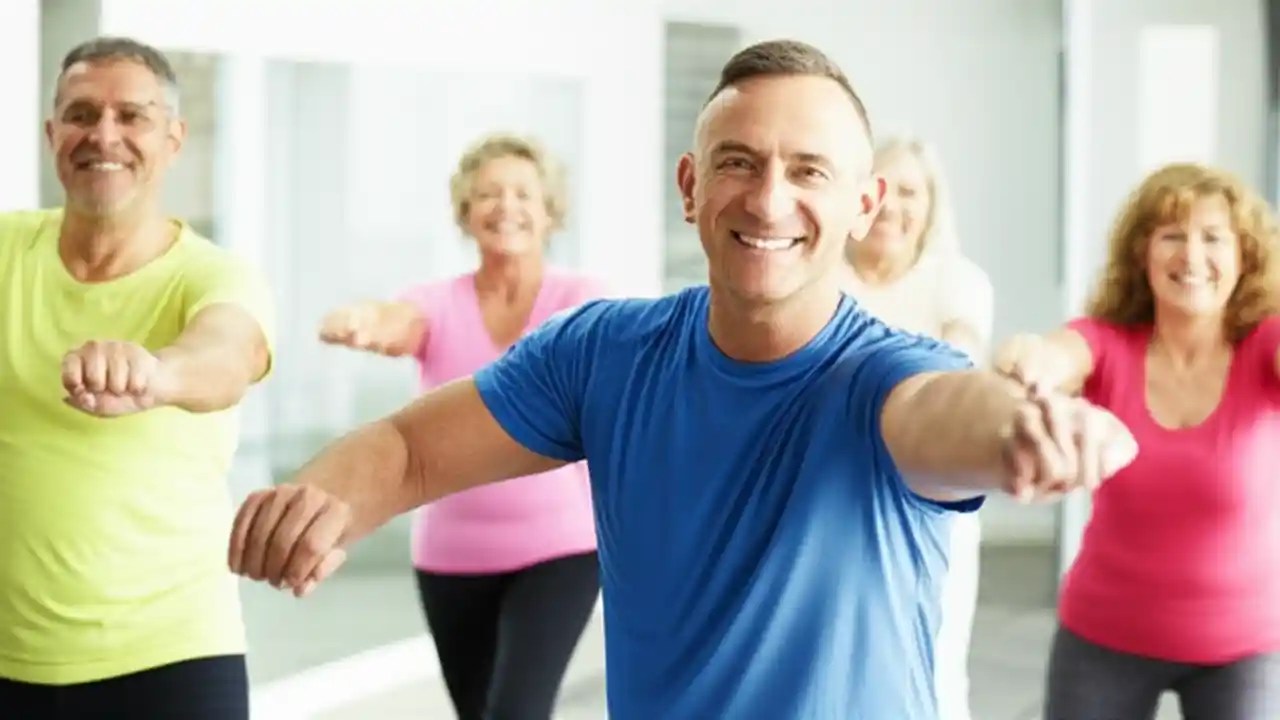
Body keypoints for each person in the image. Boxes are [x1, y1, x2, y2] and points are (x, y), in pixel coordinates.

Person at [229, 40, 1136, 719]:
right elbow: (410, 449)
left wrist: (1022, 425)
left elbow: (946, 411)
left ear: (863, 204)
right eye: (740, 163)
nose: (770, 198)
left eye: (808, 170)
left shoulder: (887, 372)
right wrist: (323, 501)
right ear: (691, 185)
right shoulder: (605, 351)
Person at [0, 37, 273, 719]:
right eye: (82, 114)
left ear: (174, 138)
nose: (105, 135)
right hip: (11, 658)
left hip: (172, 658)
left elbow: (228, 354)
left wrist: (158, 373)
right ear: (51, 133)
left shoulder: (213, 274)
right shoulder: (7, 251)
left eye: (133, 116)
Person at [316, 133, 604, 719]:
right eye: (488, 194)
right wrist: (365, 322)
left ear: (550, 211)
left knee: (516, 713)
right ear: (465, 212)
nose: (506, 205)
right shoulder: (438, 301)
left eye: (523, 193)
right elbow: (400, 323)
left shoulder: (578, 298)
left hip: (559, 552)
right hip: (451, 559)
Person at [994, 162, 1280, 720]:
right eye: (1172, 235)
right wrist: (1029, 359)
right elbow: (1057, 354)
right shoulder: (1105, 343)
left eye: (1213, 238)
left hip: (1244, 644)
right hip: (1106, 632)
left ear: (1244, 257)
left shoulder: (1264, 345)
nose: (1191, 256)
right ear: (1141, 255)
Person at [841, 136, 993, 720]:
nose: (893, 204)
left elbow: (957, 359)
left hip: (928, 509)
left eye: (910, 191)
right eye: (881, 187)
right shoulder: (822, 280)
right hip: (835, 500)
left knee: (931, 666)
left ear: (931, 206)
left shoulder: (957, 281)